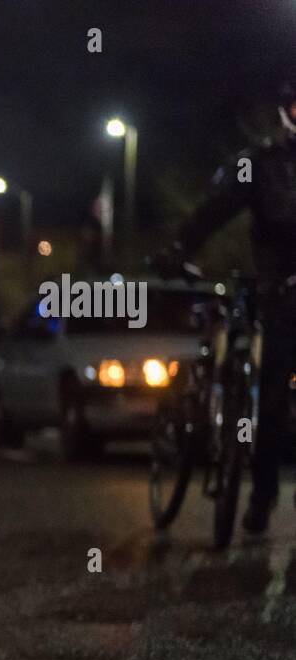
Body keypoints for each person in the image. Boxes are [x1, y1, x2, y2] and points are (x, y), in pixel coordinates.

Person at [153, 81, 296, 535]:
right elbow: (214, 209)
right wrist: (179, 247)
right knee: (272, 386)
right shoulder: (260, 164)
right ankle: (262, 491)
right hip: (279, 291)